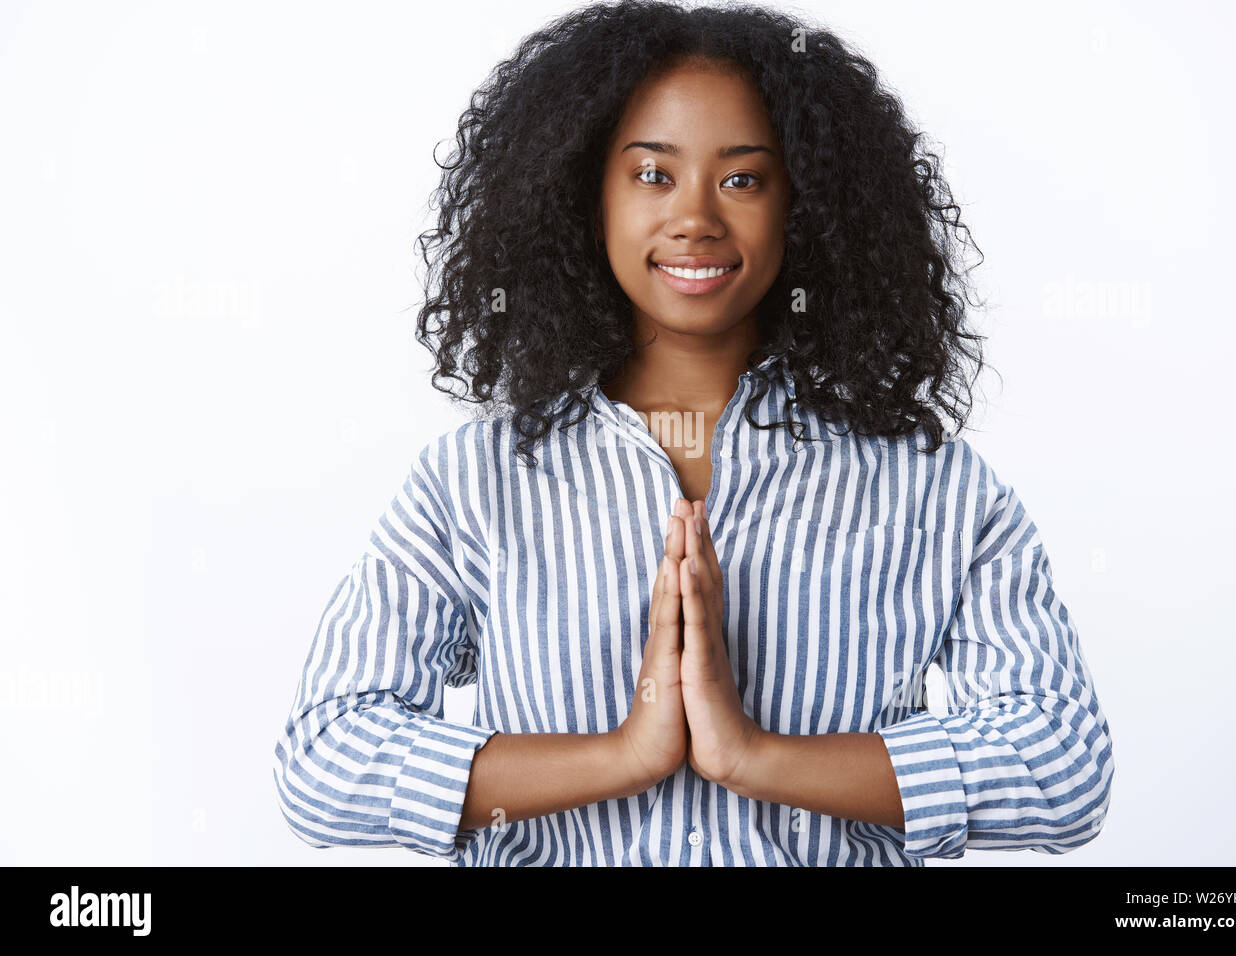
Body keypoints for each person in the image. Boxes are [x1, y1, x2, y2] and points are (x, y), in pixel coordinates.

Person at [271, 0, 1115, 866]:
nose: (697, 219)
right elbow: (325, 761)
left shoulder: (934, 487)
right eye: (651, 174)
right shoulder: (472, 483)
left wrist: (755, 757)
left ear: (806, 205)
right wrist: (622, 756)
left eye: (743, 179)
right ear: (584, 195)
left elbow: (1065, 768)